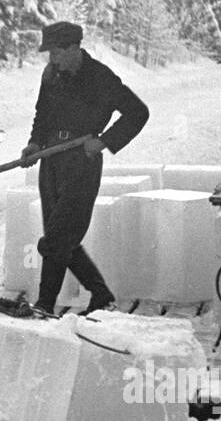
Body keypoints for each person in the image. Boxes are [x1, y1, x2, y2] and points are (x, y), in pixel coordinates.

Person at [22, 21, 149, 315]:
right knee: (62, 236)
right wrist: (34, 143)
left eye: (55, 52)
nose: (51, 58)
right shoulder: (51, 74)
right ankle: (101, 294)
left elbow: (138, 112)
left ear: (73, 48)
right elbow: (42, 115)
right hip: (52, 161)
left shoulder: (101, 77)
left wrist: (105, 141)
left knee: (57, 236)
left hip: (81, 162)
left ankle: (44, 305)